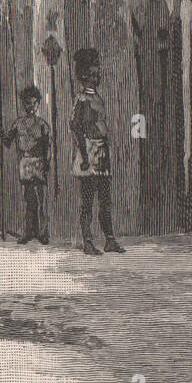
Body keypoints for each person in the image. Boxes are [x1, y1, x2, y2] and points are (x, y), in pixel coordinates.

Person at [70, 48, 124, 255]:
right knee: (88, 201)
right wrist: (83, 156)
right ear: (84, 76)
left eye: (97, 73)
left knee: (105, 199)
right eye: (93, 74)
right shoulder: (82, 100)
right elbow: (76, 128)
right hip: (89, 152)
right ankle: (88, 242)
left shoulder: (97, 97)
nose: (97, 76)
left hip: (101, 152)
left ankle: (109, 239)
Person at [1, 85, 50, 244]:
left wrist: (47, 163)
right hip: (24, 163)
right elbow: (7, 141)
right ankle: (29, 231)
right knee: (29, 199)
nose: (31, 107)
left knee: (41, 199)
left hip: (38, 162)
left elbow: (47, 146)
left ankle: (43, 232)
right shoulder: (18, 124)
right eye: (28, 103)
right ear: (23, 104)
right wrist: (1, 134)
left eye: (34, 103)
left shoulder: (42, 125)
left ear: (38, 104)